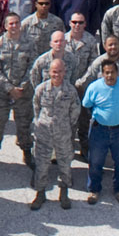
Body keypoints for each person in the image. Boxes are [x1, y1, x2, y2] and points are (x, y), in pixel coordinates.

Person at [81, 54, 119, 205]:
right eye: (107, 72)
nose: (110, 75)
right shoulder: (94, 87)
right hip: (99, 131)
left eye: (112, 72)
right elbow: (86, 105)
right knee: (95, 161)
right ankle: (94, 190)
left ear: (117, 73)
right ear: (102, 74)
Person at [29, 54, 81, 210]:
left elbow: (75, 111)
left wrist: (64, 125)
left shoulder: (70, 91)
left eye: (59, 71)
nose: (56, 75)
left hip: (63, 134)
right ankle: (40, 193)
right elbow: (36, 108)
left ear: (64, 72)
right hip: (44, 135)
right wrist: (42, 123)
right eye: (54, 72)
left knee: (65, 164)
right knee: (42, 164)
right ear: (49, 72)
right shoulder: (41, 89)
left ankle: (64, 192)